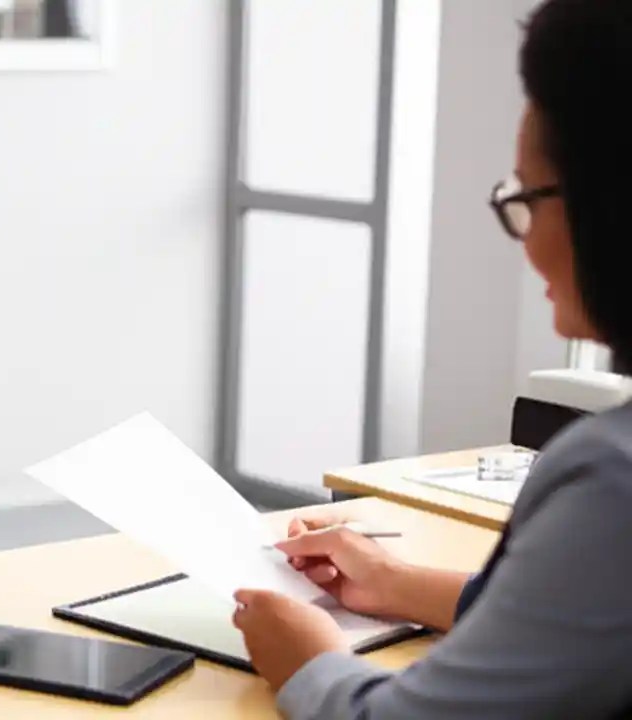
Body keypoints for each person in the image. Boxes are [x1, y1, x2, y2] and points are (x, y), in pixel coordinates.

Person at [231, 0, 632, 716]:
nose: (525, 235)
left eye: (527, 198)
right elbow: (583, 621)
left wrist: (309, 658)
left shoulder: (611, 481)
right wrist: (392, 580)